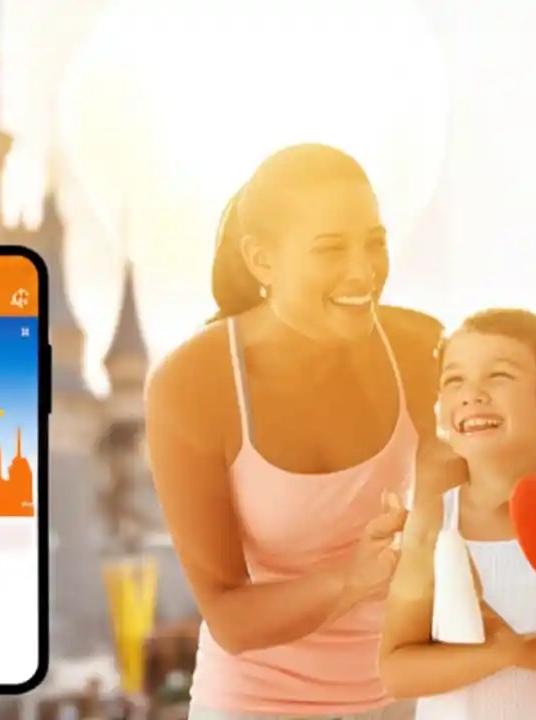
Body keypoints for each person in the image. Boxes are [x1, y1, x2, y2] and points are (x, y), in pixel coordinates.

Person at [145, 143, 444, 719]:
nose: (363, 271)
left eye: (374, 242)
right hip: (255, 703)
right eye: (330, 249)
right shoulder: (193, 384)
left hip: (402, 696)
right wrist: (352, 580)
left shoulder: (420, 349)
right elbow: (228, 616)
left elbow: (474, 513)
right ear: (262, 261)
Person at [379, 308, 536, 719]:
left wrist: (513, 649)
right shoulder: (432, 523)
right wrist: (499, 652)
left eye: (499, 376)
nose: (472, 393)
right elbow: (398, 671)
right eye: (454, 380)